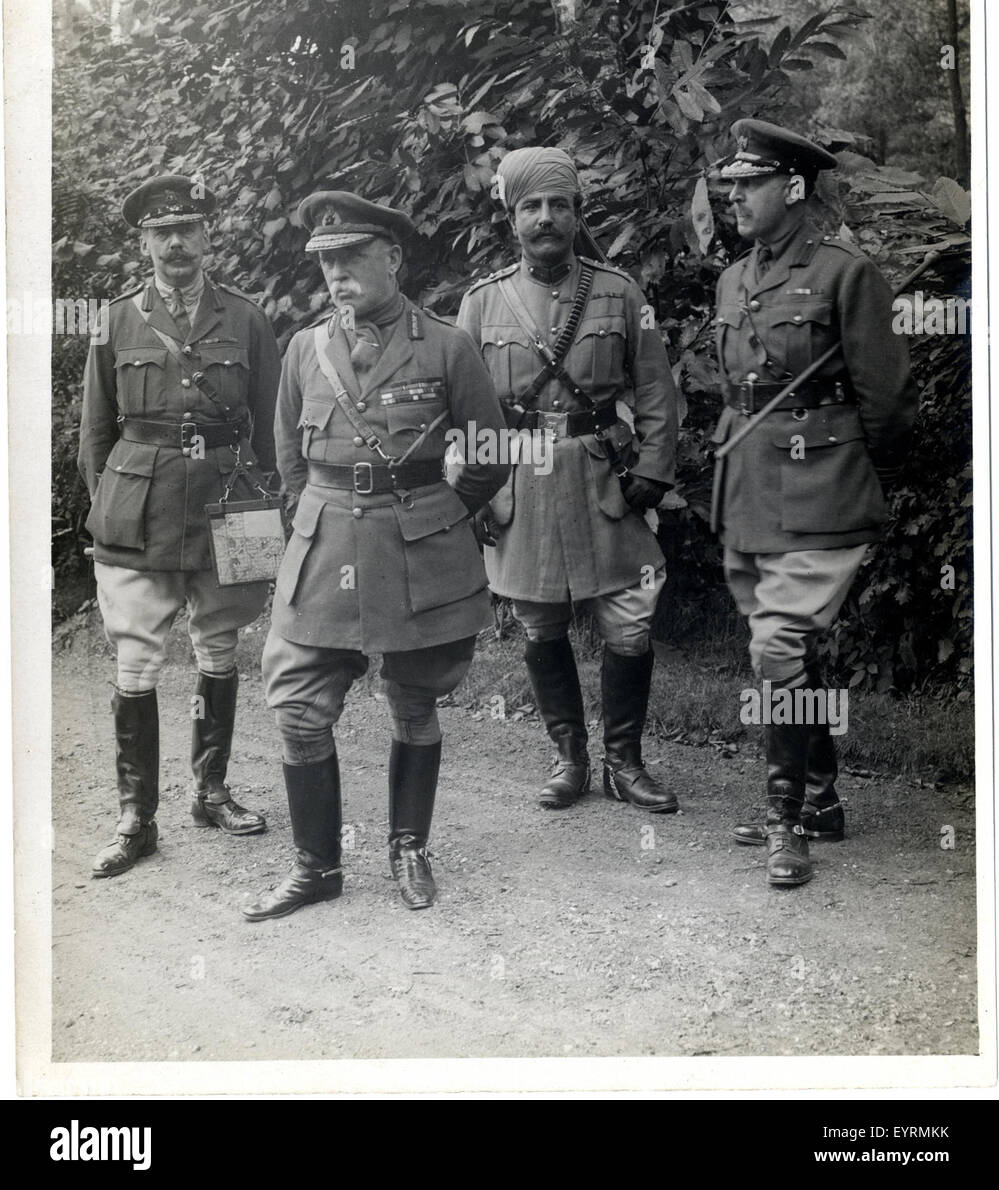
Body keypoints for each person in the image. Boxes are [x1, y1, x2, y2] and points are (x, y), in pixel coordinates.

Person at [243, 191, 509, 920]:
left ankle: (407, 848)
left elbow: (489, 452)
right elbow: (288, 460)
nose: (336, 272)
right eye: (325, 260)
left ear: (391, 258)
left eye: (351, 256)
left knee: (414, 700)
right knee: (297, 704)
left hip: (416, 543)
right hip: (326, 543)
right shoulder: (304, 347)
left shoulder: (447, 344)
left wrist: (446, 515)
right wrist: (311, 519)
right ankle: (316, 866)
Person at [709, 120, 918, 886]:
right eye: (729, 183)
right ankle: (823, 800)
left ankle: (785, 818)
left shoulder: (845, 274)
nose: (732, 194)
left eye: (748, 182)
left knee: (774, 650)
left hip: (822, 484)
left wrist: (851, 475)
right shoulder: (733, 279)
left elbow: (888, 400)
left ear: (792, 187)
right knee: (791, 651)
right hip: (750, 485)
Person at [456, 146, 680, 813]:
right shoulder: (480, 304)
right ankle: (568, 757)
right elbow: (465, 410)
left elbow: (656, 391)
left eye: (559, 205)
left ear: (577, 213)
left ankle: (625, 762)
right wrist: (473, 491)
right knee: (538, 625)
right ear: (512, 218)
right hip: (520, 485)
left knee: (630, 622)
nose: (546, 218)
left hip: (601, 481)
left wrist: (652, 469)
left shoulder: (617, 291)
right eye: (531, 207)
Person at [78, 173, 282, 879]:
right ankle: (136, 818)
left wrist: (269, 504)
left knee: (220, 647)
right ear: (144, 242)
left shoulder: (248, 318)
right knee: (136, 659)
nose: (175, 243)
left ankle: (212, 790)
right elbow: (95, 433)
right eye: (161, 232)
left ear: (206, 236)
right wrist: (110, 509)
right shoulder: (115, 319)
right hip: (141, 503)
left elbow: (272, 426)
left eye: (187, 229)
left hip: (230, 495)